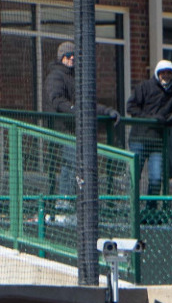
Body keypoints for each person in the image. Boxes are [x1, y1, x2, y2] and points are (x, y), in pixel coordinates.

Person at [42, 41, 119, 213]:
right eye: (68, 56)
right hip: (62, 129)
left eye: (74, 56)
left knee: (76, 166)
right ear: (61, 58)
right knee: (69, 165)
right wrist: (75, 111)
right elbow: (57, 100)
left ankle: (73, 204)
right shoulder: (56, 76)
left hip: (75, 130)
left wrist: (107, 110)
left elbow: (87, 103)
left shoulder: (76, 78)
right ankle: (63, 204)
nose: (72, 59)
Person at [125, 59, 172, 196]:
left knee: (156, 180)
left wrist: (171, 119)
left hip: (158, 142)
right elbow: (131, 107)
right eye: (163, 73)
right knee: (133, 177)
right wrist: (151, 118)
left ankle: (151, 212)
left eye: (169, 73)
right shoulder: (144, 87)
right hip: (138, 139)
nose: (166, 76)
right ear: (157, 74)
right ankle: (132, 209)